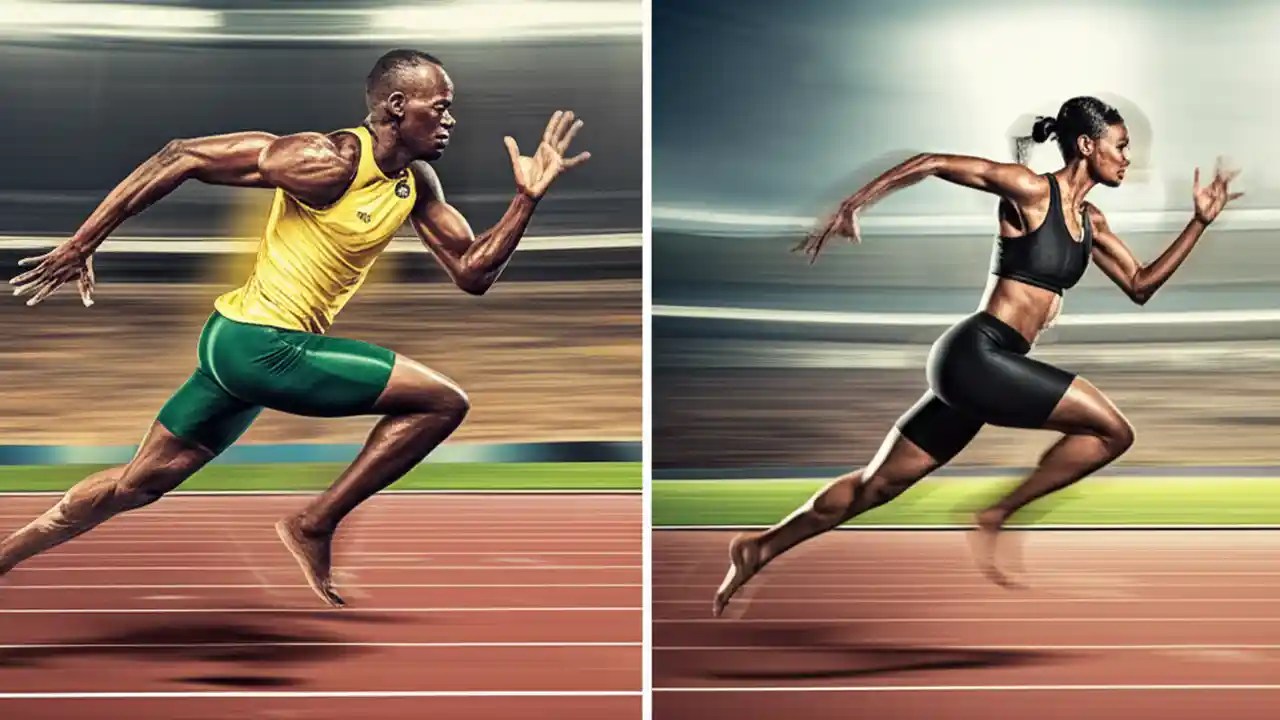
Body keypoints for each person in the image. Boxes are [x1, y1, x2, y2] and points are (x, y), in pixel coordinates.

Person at [3, 48, 590, 608]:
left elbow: (472, 273)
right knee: (442, 403)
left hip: (239, 347)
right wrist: (83, 242)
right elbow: (180, 155)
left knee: (139, 484)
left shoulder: (414, 186)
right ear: (394, 106)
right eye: (439, 107)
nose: (450, 120)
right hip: (261, 345)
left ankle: (5, 556)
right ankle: (314, 523)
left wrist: (525, 200)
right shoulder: (326, 160)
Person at [713, 96, 1241, 617]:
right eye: (1121, 146)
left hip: (985, 370)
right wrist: (854, 204)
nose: (1128, 159)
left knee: (877, 487)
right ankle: (996, 515)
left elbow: (1141, 284)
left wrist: (1199, 223)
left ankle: (759, 548)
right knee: (1112, 431)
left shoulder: (1093, 223)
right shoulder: (1032, 190)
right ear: (1087, 145)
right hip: (977, 354)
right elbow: (931, 163)